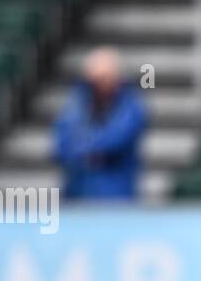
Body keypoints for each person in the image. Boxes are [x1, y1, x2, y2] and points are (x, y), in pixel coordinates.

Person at [53, 47, 147, 199]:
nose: (100, 85)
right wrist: (88, 152)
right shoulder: (75, 103)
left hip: (116, 197)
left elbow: (115, 141)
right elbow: (62, 145)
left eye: (105, 78)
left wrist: (84, 148)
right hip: (77, 193)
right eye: (94, 80)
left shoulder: (131, 106)